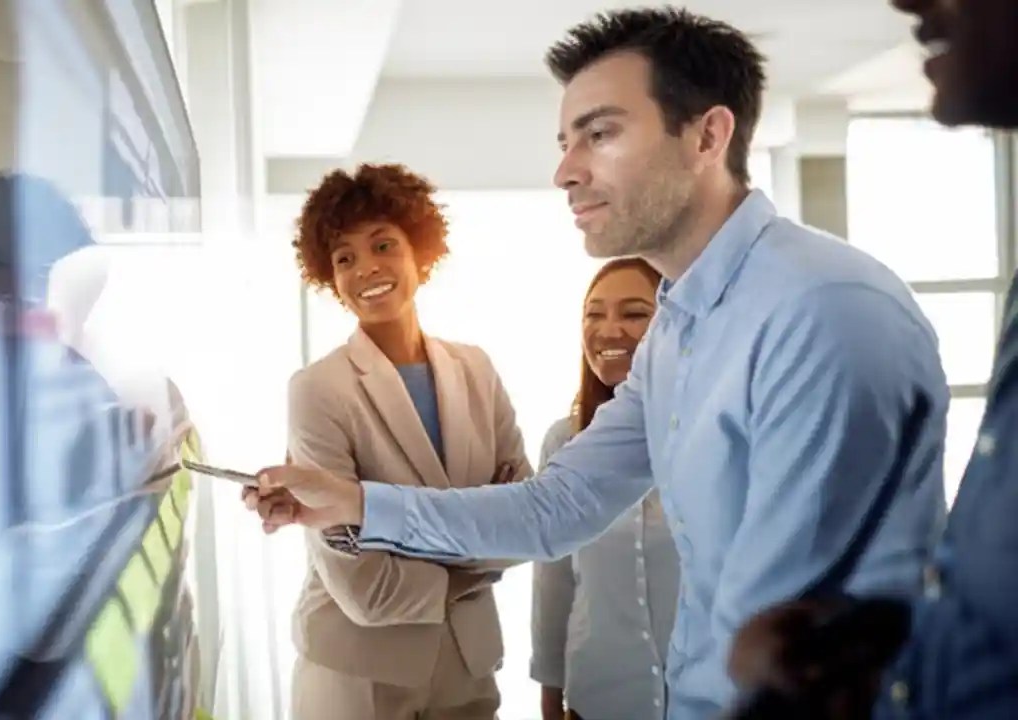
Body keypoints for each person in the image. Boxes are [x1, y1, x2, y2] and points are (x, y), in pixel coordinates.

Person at [244, 9, 949, 719]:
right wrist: (356, 503)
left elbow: (805, 638)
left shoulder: (822, 310)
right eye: (565, 141)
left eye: (601, 134)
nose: (565, 171)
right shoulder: (678, 327)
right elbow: (557, 506)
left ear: (708, 135)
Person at [727, 1, 1018, 718]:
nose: (906, 1)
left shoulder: (835, 304)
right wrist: (883, 648)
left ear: (707, 135)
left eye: (600, 133)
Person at [283, 163, 530, 720]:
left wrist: (408, 543)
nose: (366, 268)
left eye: (383, 245)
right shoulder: (317, 390)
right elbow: (362, 587)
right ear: (330, 277)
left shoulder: (476, 369)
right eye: (344, 258)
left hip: (468, 664)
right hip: (356, 671)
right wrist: (474, 558)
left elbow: (527, 516)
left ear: (421, 252)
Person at [530, 257, 678, 720]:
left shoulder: (718, 432)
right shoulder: (564, 440)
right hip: (599, 701)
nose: (609, 330)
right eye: (594, 314)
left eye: (634, 313)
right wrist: (551, 698)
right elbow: (552, 583)